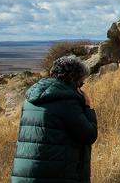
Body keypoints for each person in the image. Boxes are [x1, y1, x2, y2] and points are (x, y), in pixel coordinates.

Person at [11, 55, 98, 183]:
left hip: (22, 174)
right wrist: (87, 107)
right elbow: (89, 135)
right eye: (81, 83)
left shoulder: (29, 100)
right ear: (73, 80)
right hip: (53, 175)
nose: (81, 87)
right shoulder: (67, 102)